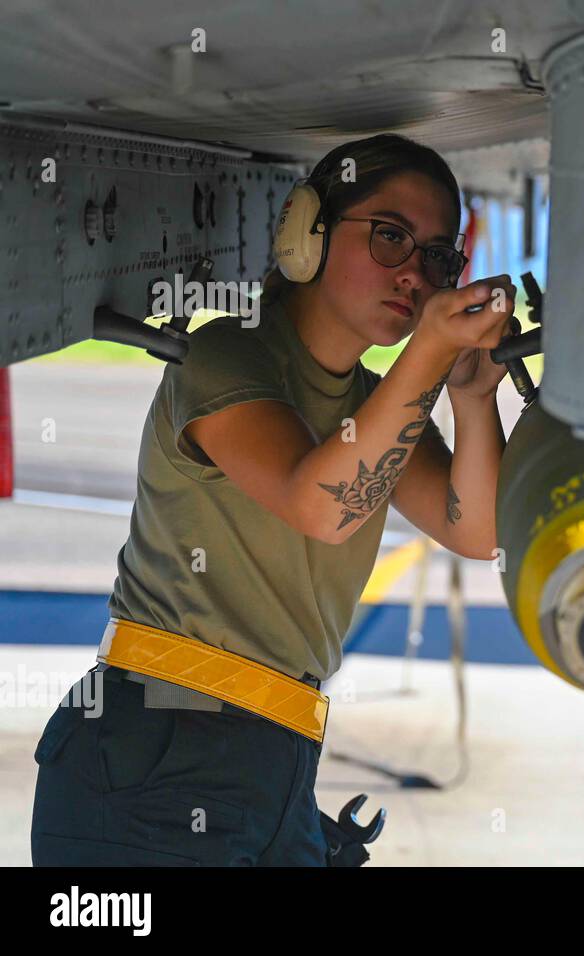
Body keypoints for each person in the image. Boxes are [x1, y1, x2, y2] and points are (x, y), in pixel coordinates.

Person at [31, 133, 517, 865]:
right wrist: (425, 355)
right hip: (154, 755)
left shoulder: (375, 408)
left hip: (275, 758)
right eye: (391, 237)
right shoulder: (225, 353)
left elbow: (479, 531)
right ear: (307, 234)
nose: (416, 274)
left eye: (438, 257)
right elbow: (320, 503)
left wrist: (474, 396)